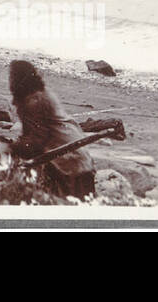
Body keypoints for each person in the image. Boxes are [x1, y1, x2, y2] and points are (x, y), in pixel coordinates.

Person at [6, 59, 95, 198]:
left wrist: (10, 149)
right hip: (70, 156)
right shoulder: (37, 95)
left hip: (71, 160)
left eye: (12, 76)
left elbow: (37, 141)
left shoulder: (34, 101)